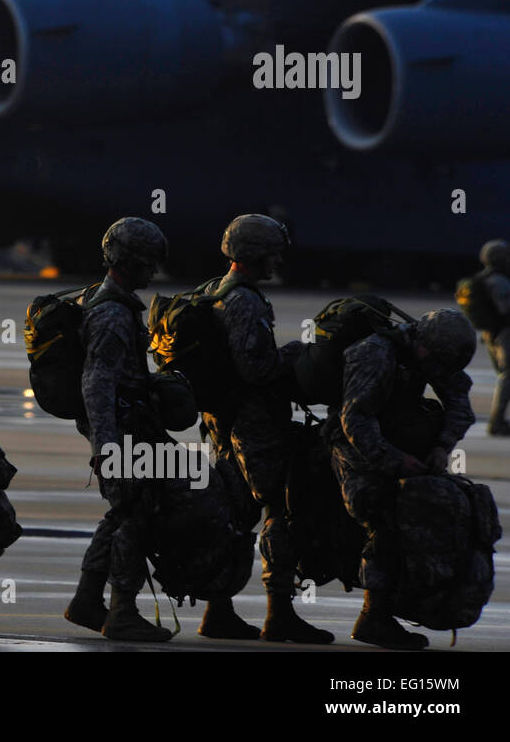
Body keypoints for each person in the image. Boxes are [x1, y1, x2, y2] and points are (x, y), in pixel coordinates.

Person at [195, 213, 332, 644]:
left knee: (235, 515)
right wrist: (295, 355)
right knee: (281, 512)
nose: (276, 260)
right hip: (255, 428)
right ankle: (280, 614)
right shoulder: (245, 301)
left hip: (222, 424)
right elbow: (255, 369)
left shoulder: (213, 290)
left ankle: (218, 611)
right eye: (272, 252)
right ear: (253, 253)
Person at [327, 309, 476, 649]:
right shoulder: (375, 353)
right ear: (423, 346)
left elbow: (460, 406)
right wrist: (394, 462)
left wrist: (441, 447)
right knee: (384, 514)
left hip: (396, 439)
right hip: (357, 445)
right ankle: (373, 618)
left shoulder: (436, 355)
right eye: (436, 362)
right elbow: (356, 420)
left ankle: (399, 602)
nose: (438, 371)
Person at [62, 217, 173, 642]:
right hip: (121, 431)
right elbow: (97, 380)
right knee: (136, 513)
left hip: (127, 426)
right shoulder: (111, 313)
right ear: (129, 261)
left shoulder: (112, 302)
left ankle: (88, 599)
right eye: (148, 262)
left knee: (124, 510)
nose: (153, 271)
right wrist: (107, 446)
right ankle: (122, 610)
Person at [472, 240, 510, 436]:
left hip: (492, 335)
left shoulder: (485, 278)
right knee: (507, 375)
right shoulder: (498, 281)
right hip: (504, 334)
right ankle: (497, 421)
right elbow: (505, 308)